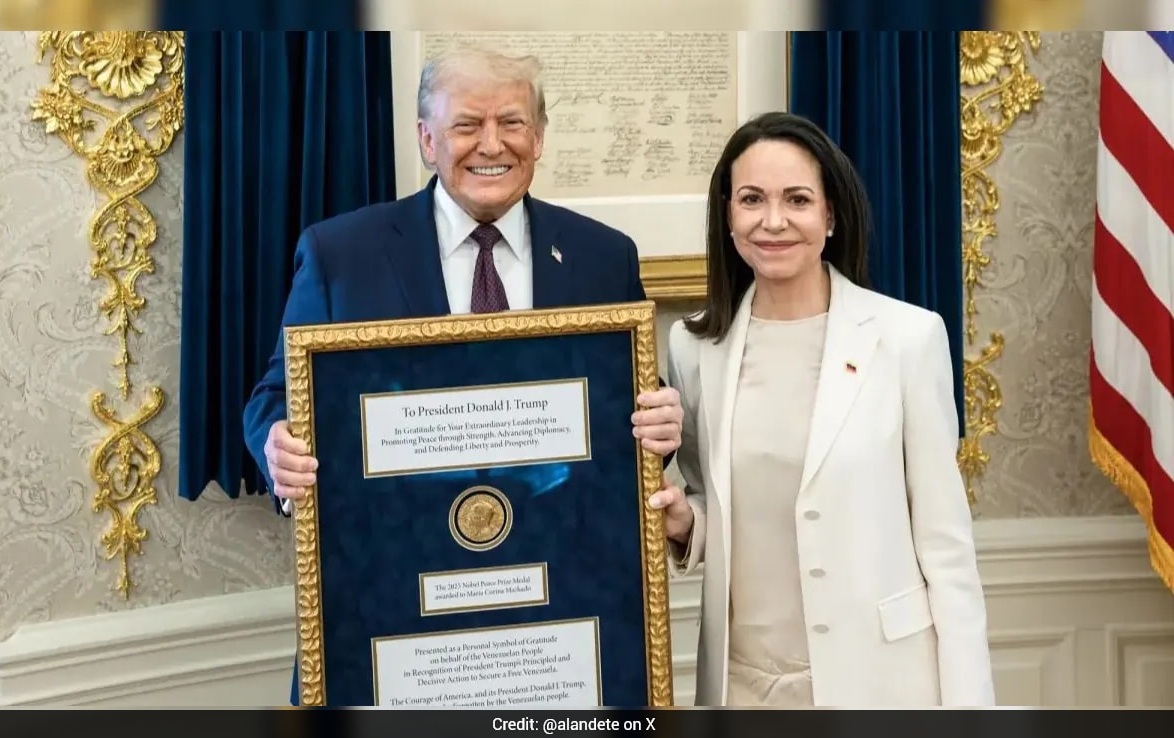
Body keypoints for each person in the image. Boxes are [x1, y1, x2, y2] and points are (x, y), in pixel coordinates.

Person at [243, 46, 684, 519]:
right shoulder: (340, 256)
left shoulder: (603, 256)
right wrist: (279, 450)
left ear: (538, 137)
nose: (492, 145)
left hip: (562, 549)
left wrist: (660, 424)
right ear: (428, 141)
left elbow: (631, 402)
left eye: (512, 123)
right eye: (467, 125)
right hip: (397, 552)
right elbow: (278, 397)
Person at [647, 111, 995, 707]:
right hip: (741, 683)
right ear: (727, 214)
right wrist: (683, 520)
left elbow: (945, 545)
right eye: (752, 199)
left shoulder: (907, 337)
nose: (773, 221)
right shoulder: (694, 345)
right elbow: (717, 502)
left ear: (830, 215)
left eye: (797, 200)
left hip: (882, 680)